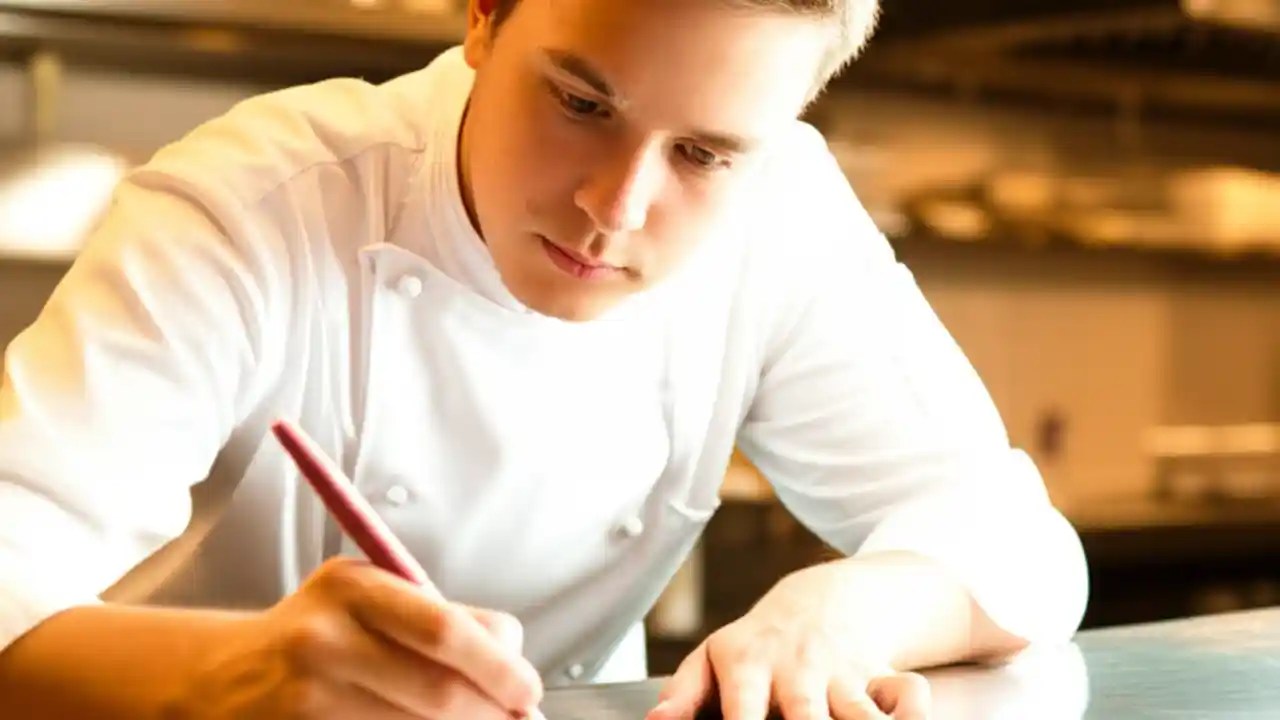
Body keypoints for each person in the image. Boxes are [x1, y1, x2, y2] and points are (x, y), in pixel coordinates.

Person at [0, 0, 1089, 718]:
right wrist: (231, 680)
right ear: (484, 14)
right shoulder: (256, 201)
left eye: (703, 153)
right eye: (580, 103)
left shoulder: (782, 210)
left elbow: (1018, 544)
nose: (615, 207)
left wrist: (840, 614)